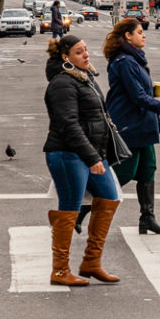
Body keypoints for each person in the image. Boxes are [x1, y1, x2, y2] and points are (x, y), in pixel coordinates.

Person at [42, 34, 122, 287]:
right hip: (67, 154)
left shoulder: (84, 77)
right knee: (69, 208)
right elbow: (69, 125)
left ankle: (91, 262)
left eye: (86, 50)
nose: (86, 55)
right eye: (79, 52)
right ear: (65, 57)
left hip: (92, 153)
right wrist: (91, 157)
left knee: (109, 198)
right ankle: (59, 270)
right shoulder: (62, 83)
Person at [105, 18, 160, 235]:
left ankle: (147, 218)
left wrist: (153, 91)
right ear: (128, 36)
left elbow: (139, 91)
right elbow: (137, 96)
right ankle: (83, 208)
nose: (144, 35)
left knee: (148, 170)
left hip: (144, 124)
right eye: (139, 32)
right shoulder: (125, 61)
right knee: (123, 173)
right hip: (130, 124)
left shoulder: (135, 58)